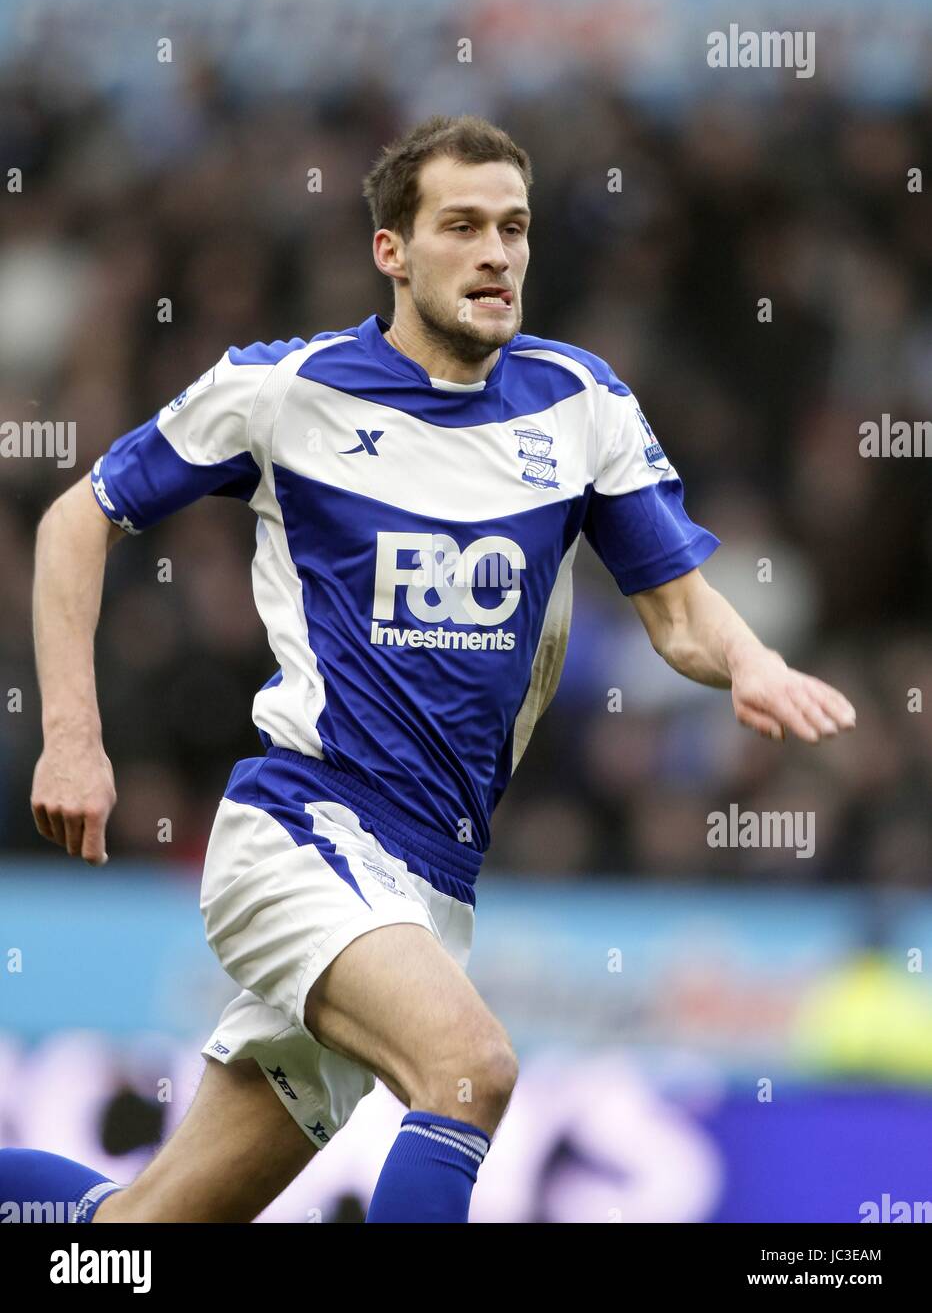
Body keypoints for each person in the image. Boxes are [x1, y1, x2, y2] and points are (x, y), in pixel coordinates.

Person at [3, 114, 856, 1224]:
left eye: (513, 227)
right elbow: (80, 517)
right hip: (302, 834)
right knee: (470, 1070)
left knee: (143, 1231)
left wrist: (751, 662)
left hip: (431, 883)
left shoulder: (578, 405)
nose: (496, 252)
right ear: (390, 252)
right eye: (461, 225)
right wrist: (74, 734)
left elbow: (680, 613)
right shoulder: (285, 391)